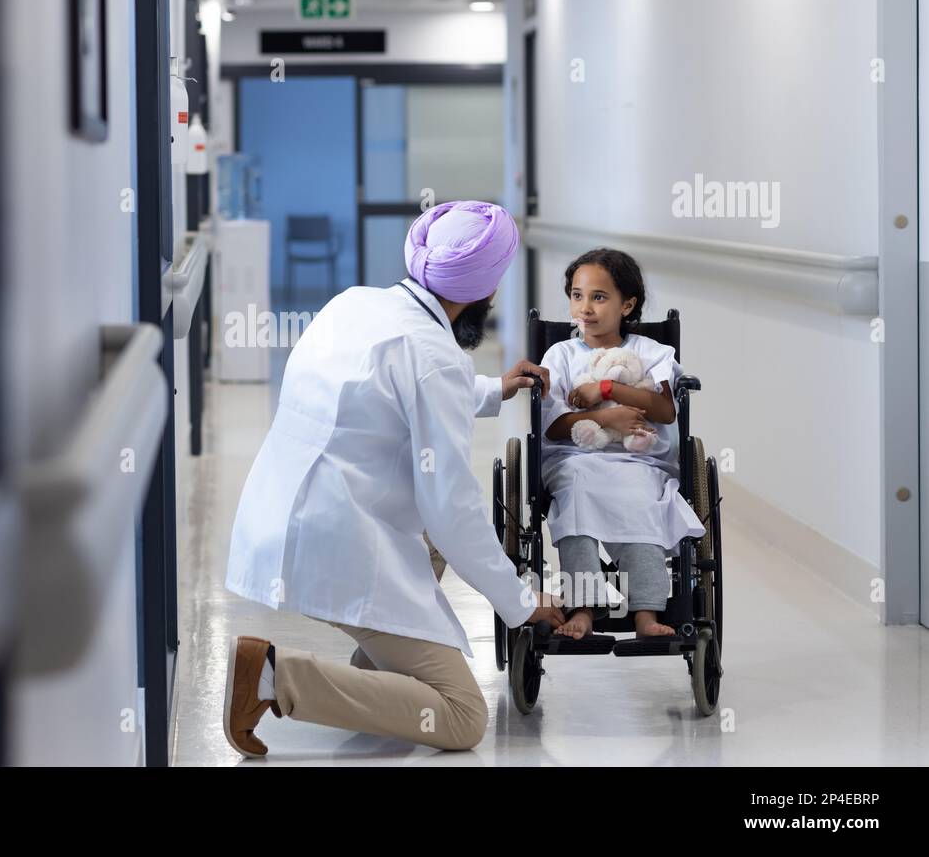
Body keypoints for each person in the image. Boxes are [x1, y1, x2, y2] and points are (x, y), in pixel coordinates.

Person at [222, 200, 564, 757]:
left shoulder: (355, 304)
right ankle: (270, 677)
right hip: (336, 543)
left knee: (428, 551)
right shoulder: (434, 357)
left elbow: (393, 386)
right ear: (482, 293)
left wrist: (491, 388)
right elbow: (454, 513)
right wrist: (522, 603)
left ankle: (380, 674)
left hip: (282, 517)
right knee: (460, 717)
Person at [540, 248, 705, 640]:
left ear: (627, 304)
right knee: (576, 493)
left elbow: (665, 410)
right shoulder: (560, 355)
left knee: (642, 498)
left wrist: (611, 389)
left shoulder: (651, 352)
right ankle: (583, 606)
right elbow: (554, 425)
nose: (585, 308)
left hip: (640, 463)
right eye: (577, 295)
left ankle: (646, 611)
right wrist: (603, 417)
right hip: (575, 458)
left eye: (599, 297)